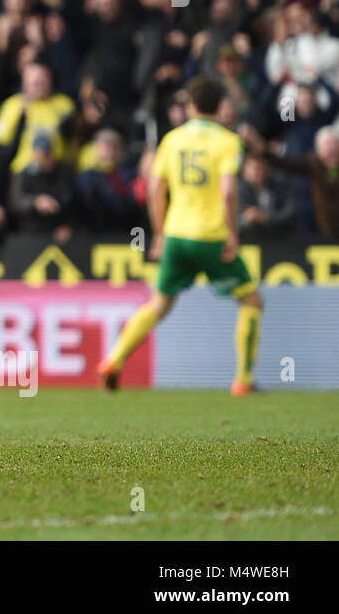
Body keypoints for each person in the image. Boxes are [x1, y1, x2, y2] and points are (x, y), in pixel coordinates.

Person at [97, 77, 265, 395]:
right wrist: (233, 232)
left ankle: (112, 360)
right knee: (251, 299)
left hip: (176, 234)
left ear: (191, 105)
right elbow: (229, 190)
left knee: (159, 302)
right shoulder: (228, 141)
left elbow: (155, 189)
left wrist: (159, 233)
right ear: (220, 106)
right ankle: (243, 380)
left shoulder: (172, 140)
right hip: (212, 235)